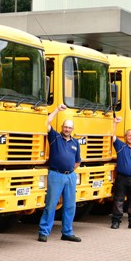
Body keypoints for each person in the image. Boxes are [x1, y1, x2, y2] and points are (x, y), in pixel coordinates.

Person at [38, 104, 82, 243]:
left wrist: (70, 172)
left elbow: (78, 161)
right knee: (51, 204)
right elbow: (46, 122)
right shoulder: (55, 137)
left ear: (72, 129)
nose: (67, 129)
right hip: (56, 175)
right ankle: (44, 232)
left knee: (70, 205)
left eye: (69, 127)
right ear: (62, 127)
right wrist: (57, 110)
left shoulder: (75, 142)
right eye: (65, 127)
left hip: (70, 176)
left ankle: (67, 232)